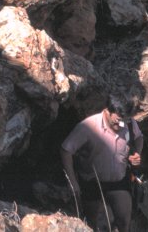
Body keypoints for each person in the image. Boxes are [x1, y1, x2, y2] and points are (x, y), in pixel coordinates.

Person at [61, 94, 143, 231]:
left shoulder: (128, 123)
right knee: (92, 223)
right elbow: (66, 150)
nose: (120, 124)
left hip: (119, 180)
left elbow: (139, 137)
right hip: (92, 181)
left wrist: (137, 154)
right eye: (117, 120)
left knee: (124, 220)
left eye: (123, 120)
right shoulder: (88, 127)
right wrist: (73, 182)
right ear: (106, 112)